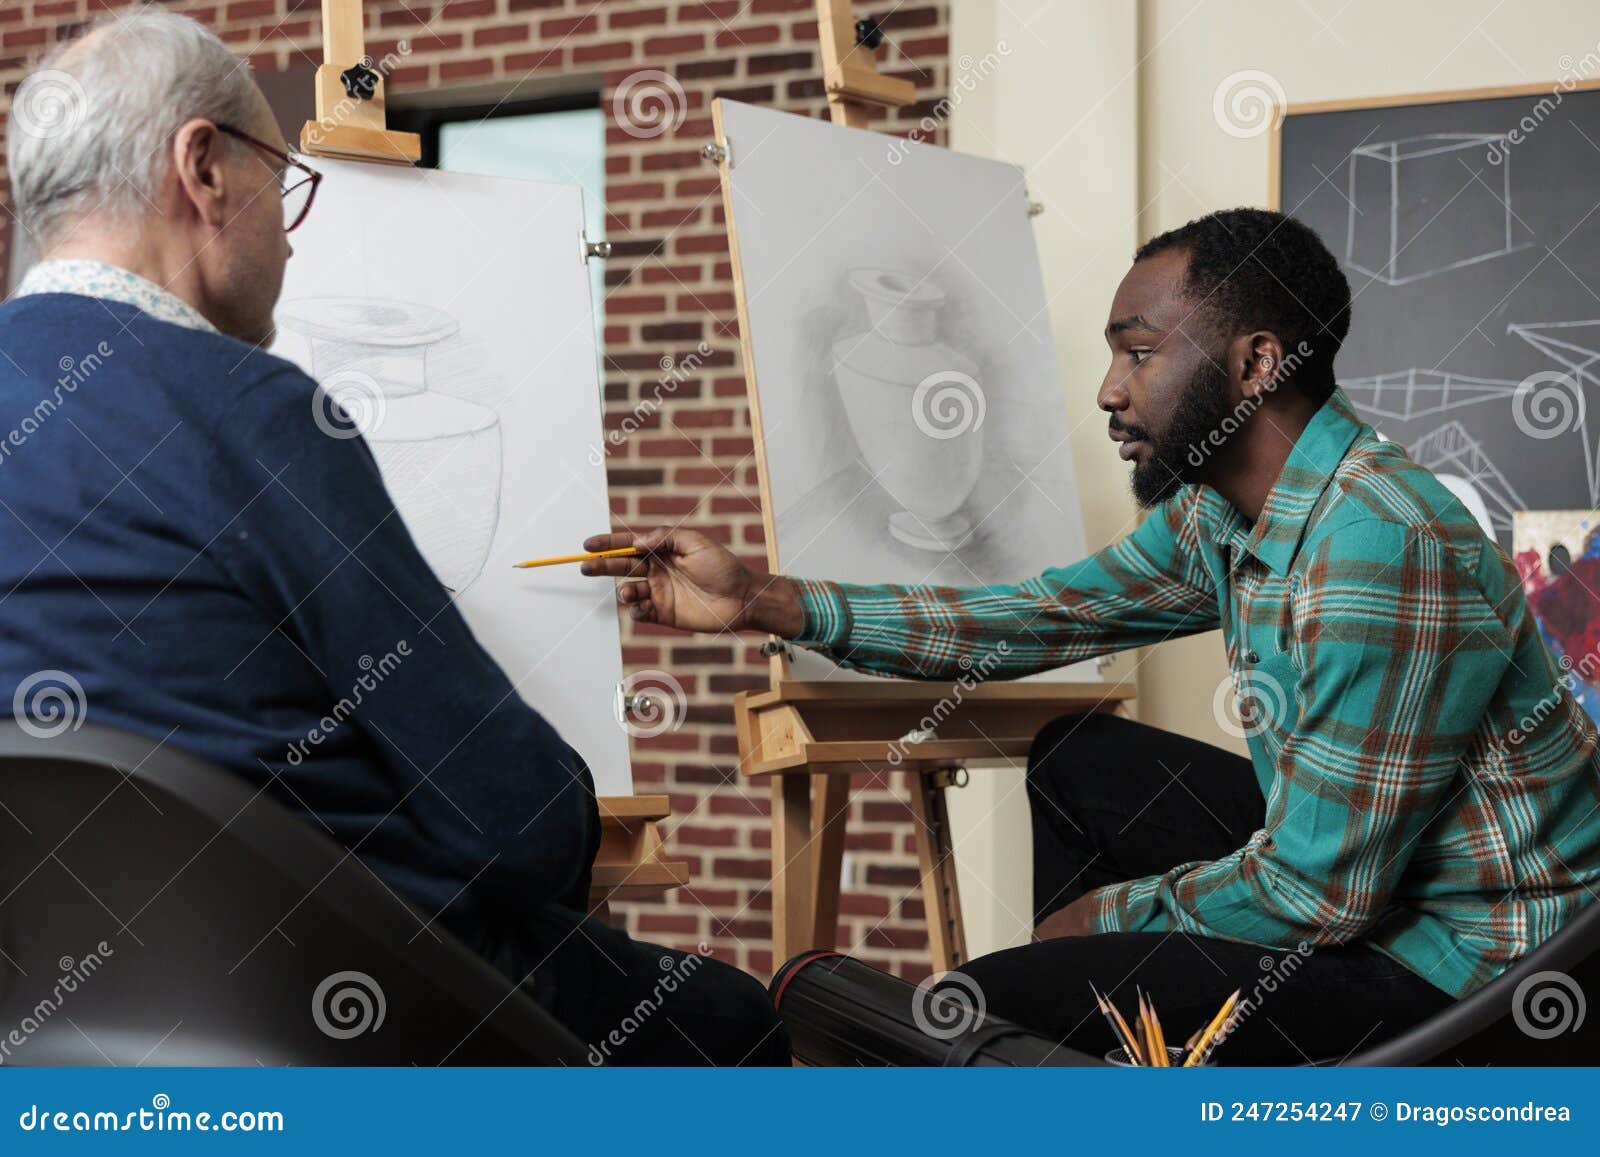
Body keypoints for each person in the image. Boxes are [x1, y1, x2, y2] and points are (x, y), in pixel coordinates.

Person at [581, 207, 1600, 1064]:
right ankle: (1098, 1066)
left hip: (1482, 976)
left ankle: (1059, 1038)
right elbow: (1035, 616)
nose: (1110, 389)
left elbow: (1317, 894)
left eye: (1140, 352)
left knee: (976, 1003)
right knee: (1082, 759)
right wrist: (763, 596)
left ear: (1252, 364)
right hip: (1375, 885)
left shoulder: (1379, 540)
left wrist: (1107, 919)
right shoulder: (1228, 510)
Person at [0, 9, 787, 1066]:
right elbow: (515, 824)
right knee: (740, 1024)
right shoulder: (251, 412)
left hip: (62, 1019)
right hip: (343, 1002)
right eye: (286, 182)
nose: (288, 230)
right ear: (206, 169)